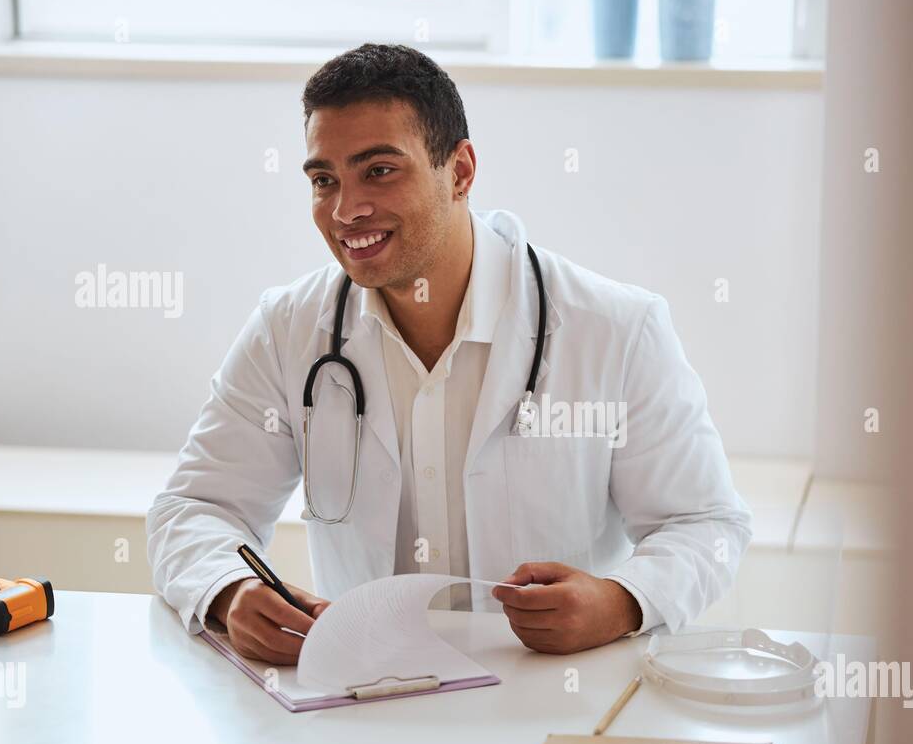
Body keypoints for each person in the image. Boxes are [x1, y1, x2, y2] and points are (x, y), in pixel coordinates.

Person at [146, 44, 750, 664]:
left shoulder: (616, 328)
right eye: (324, 180)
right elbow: (194, 509)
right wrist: (229, 590)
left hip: (551, 694)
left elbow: (705, 526)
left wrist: (623, 599)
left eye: (379, 170)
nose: (346, 210)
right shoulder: (288, 330)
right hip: (364, 697)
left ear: (460, 172)